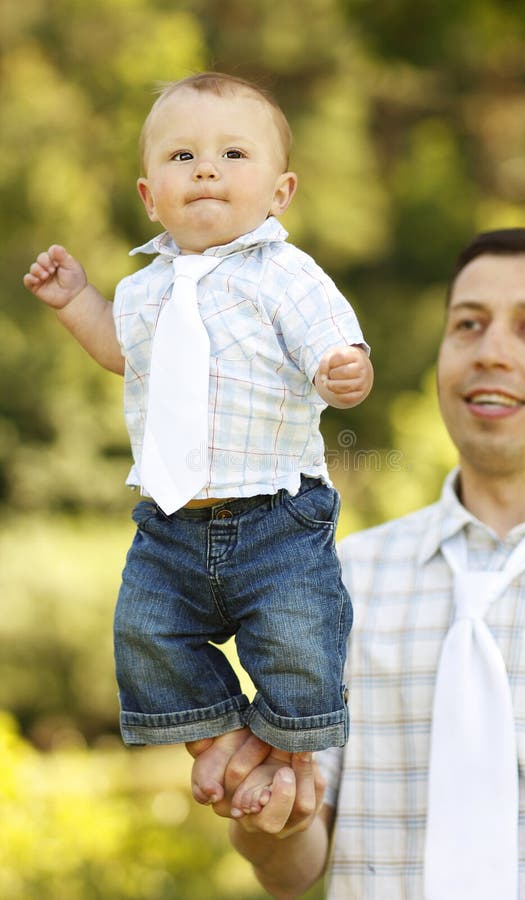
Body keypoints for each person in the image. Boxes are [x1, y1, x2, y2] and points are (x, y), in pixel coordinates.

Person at [23, 72, 373, 807]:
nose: (206, 168)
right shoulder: (148, 286)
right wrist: (76, 300)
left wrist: (346, 372)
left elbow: (336, 350)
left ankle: (284, 747)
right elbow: (123, 352)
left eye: (233, 154)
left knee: (299, 641)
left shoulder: (285, 274)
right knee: (146, 634)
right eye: (182, 157)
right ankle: (219, 738)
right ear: (150, 195)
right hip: (168, 523)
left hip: (276, 515)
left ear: (280, 192)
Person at [220, 227, 525, 899]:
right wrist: (267, 822)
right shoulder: (343, 579)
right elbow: (294, 865)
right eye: (468, 324)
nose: (491, 352)